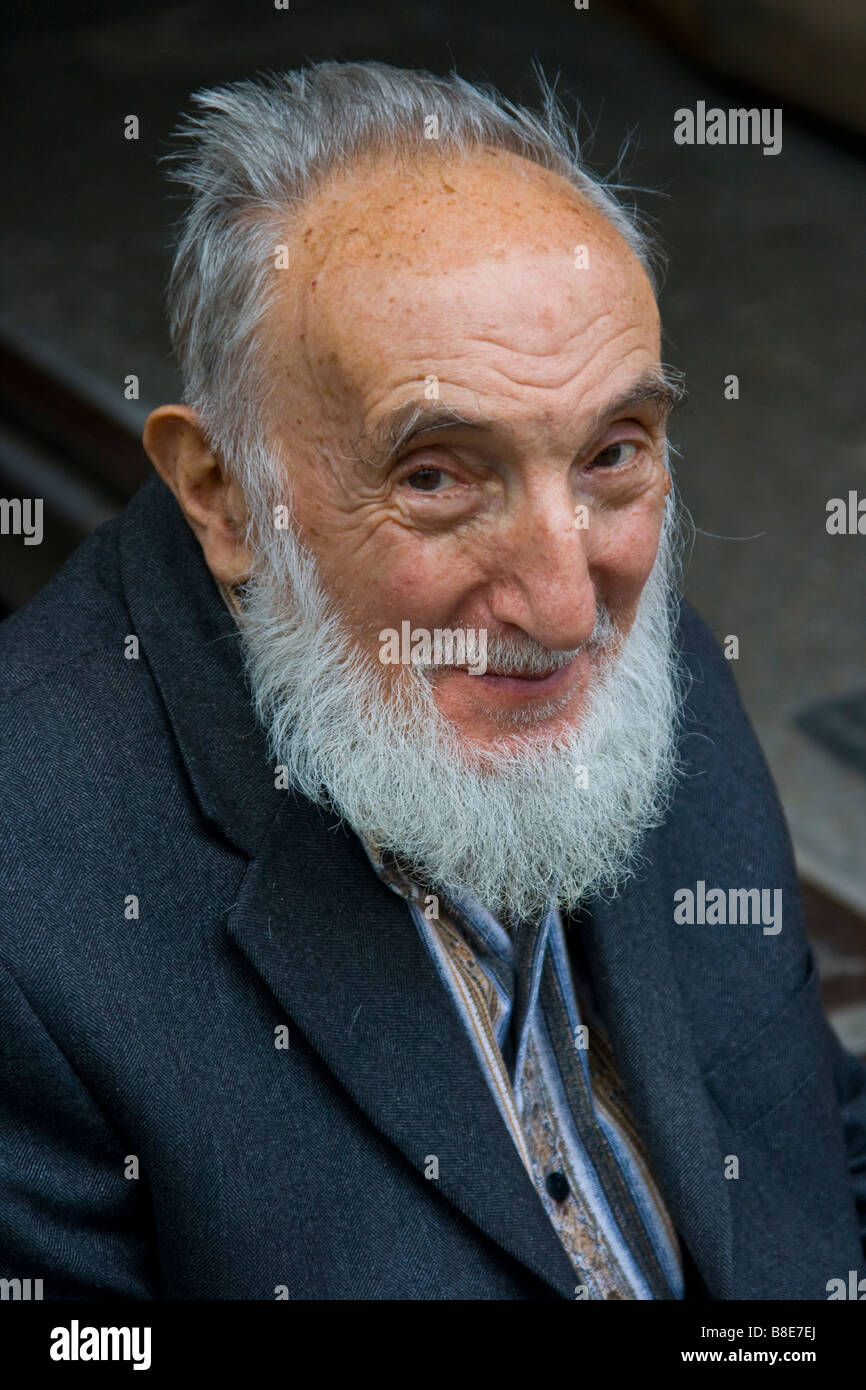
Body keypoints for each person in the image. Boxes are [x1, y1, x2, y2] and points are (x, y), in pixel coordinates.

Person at [1, 60, 863, 1301]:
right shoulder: (32, 920)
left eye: (612, 452)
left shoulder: (633, 648)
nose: (567, 606)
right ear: (222, 494)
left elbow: (808, 1143)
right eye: (437, 478)